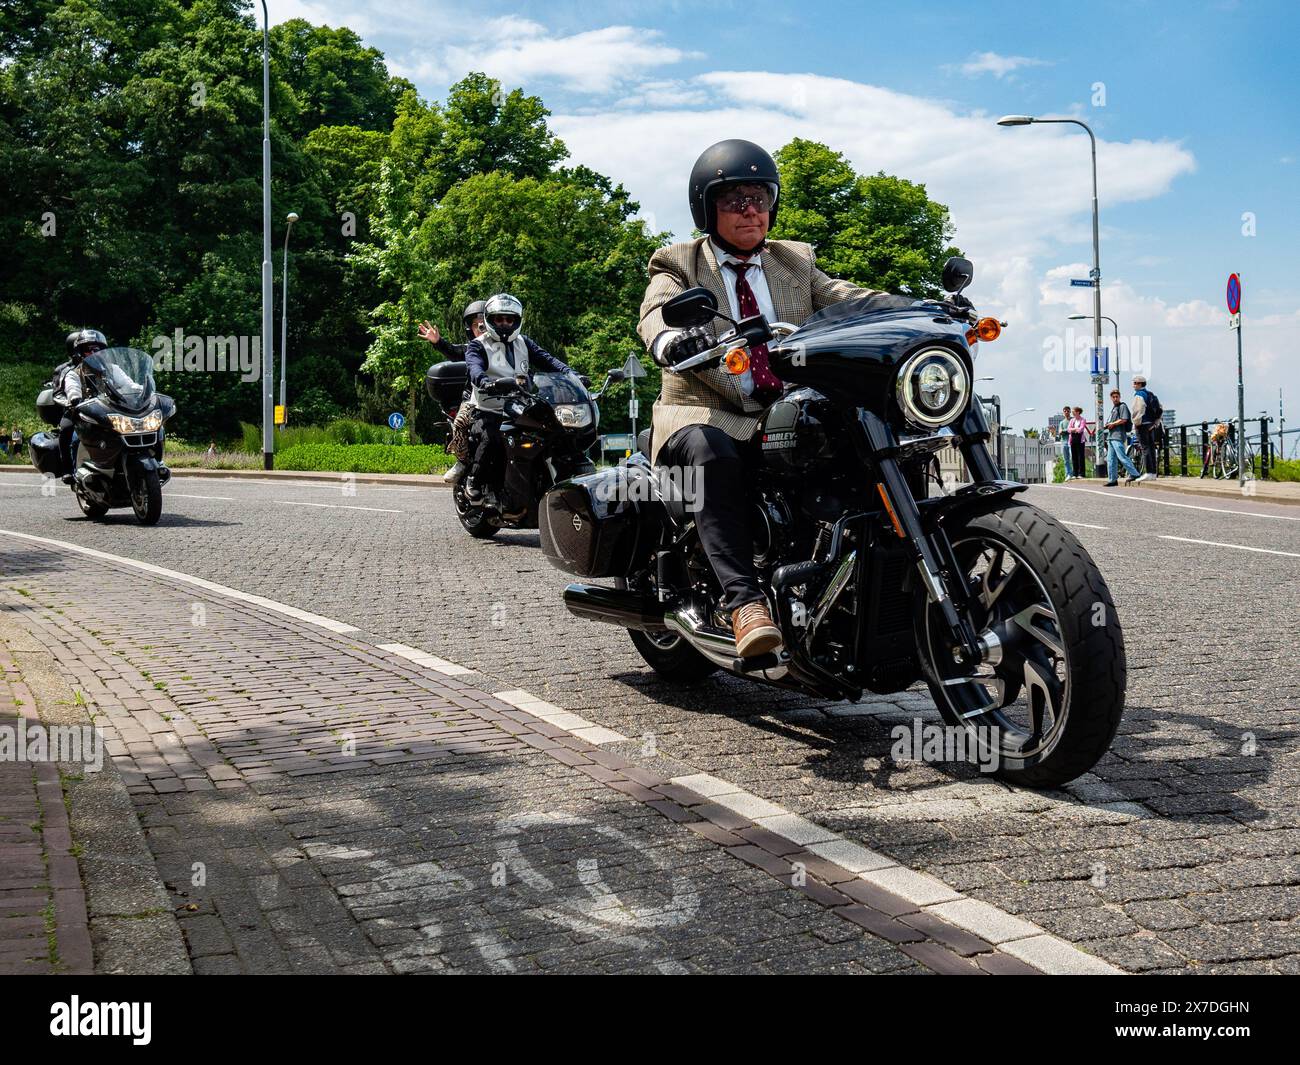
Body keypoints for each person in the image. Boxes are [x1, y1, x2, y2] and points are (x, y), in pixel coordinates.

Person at [639, 138, 885, 658]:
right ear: (708, 207)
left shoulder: (793, 260)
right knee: (712, 454)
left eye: (761, 197)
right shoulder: (680, 260)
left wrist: (911, 305)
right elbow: (657, 309)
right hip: (706, 409)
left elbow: (845, 296)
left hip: (786, 408)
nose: (752, 210)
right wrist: (669, 339)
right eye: (735, 201)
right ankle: (744, 602)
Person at [461, 293, 570, 504]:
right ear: (490, 319)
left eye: (509, 319)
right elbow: (473, 367)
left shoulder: (523, 342)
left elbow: (547, 360)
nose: (504, 323)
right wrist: (485, 381)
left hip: (521, 406)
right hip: (488, 409)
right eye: (499, 319)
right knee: (491, 439)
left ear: (516, 321)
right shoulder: (478, 345)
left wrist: (570, 374)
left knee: (552, 431)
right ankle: (473, 481)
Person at [421, 301, 488, 485]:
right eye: (476, 324)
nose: (481, 327)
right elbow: (454, 351)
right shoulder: (473, 348)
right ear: (470, 328)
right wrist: (438, 342)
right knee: (460, 423)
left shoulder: (510, 346)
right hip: (475, 399)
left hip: (508, 398)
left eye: (484, 322)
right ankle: (462, 461)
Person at [54, 329, 107, 482]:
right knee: (67, 431)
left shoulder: (108, 369)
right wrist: (73, 402)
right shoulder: (70, 371)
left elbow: (126, 384)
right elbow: (62, 392)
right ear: (78, 351)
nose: (93, 353)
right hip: (78, 410)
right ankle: (69, 469)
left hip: (106, 409)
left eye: (96, 349)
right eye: (88, 349)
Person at [1102, 388, 1140, 487]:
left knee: (1122, 456)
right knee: (1110, 459)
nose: (1115, 398)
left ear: (1119, 397)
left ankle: (1135, 473)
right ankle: (1112, 479)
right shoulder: (1114, 408)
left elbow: (1124, 419)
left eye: (1117, 397)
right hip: (1111, 436)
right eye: (1113, 397)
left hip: (1118, 435)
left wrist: (1113, 424)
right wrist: (1107, 425)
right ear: (1111, 398)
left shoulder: (1122, 406)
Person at [1130, 374, 1162, 481]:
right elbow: (1160, 408)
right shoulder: (1151, 394)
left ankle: (1148, 472)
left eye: (1135, 383)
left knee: (1145, 448)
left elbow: (1138, 410)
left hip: (1142, 424)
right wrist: (1155, 422)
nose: (1133, 385)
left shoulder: (1139, 395)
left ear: (1140, 384)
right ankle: (1153, 473)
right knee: (1151, 447)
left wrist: (1136, 422)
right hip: (1151, 424)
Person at [1066, 406, 1089, 481]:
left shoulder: (1083, 420)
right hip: (1073, 440)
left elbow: (1081, 429)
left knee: (1080, 457)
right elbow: (1068, 429)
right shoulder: (1072, 420)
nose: (1072, 413)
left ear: (1078, 412)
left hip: (1080, 440)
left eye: (1074, 411)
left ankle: (1081, 473)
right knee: (1074, 457)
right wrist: (1075, 429)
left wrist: (1074, 430)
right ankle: (1075, 473)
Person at [1059, 405, 1075, 479]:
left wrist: (1065, 430)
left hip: (1071, 441)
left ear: (1070, 412)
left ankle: (1074, 473)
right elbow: (1060, 432)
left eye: (1068, 411)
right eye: (1065, 411)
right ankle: (1068, 474)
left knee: (1072, 457)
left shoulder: (1073, 420)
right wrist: (1068, 430)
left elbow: (1073, 429)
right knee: (1066, 459)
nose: (1066, 412)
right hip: (1063, 442)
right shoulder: (1061, 422)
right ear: (1063, 412)